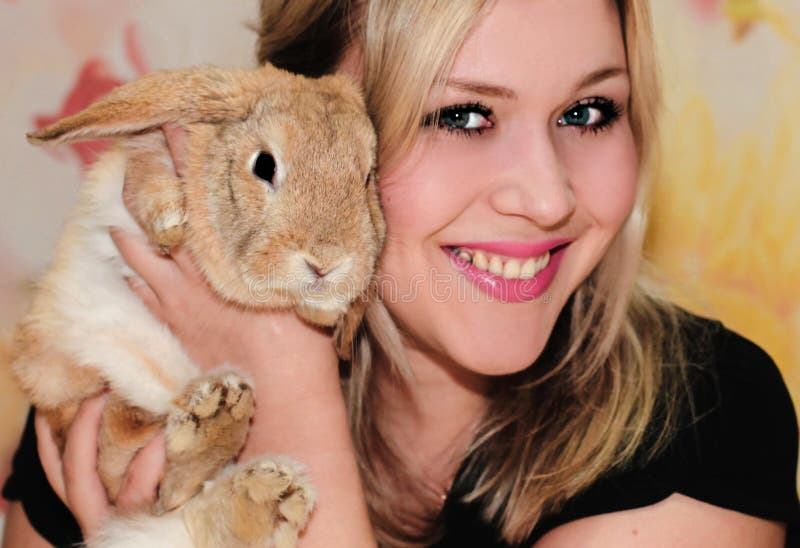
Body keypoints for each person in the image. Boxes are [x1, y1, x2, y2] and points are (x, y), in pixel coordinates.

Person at [3, 0, 799, 546]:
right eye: (461, 116)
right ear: (307, 114)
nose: (548, 197)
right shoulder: (131, 369)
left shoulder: (704, 416)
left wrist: (287, 384)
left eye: (588, 113)